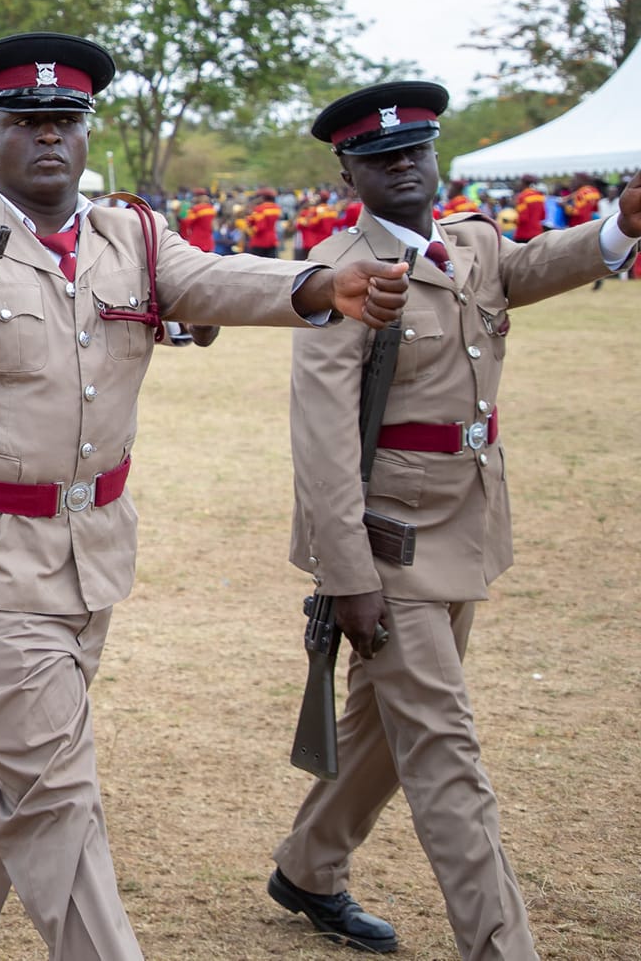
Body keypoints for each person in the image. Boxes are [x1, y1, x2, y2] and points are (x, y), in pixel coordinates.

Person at [0, 31, 408, 961]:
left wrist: (318, 284)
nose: (49, 138)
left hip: (90, 558)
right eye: (25, 122)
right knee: (59, 800)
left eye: (65, 119)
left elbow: (212, 279)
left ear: (87, 132)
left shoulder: (130, 238)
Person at [266, 84, 639, 959]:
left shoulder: (470, 240)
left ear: (435, 156)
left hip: (465, 520)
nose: (403, 167)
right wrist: (346, 575)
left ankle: (310, 868)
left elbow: (534, 268)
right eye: (381, 157)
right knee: (444, 745)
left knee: (385, 731)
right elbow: (321, 444)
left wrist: (621, 226)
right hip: (386, 541)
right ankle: (501, 947)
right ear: (349, 170)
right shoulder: (341, 273)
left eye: (416, 151)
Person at [245, 187, 284, 258]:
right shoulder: (276, 208)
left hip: (259, 241)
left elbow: (260, 227)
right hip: (272, 239)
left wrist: (249, 231)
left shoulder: (260, 209)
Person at [179, 186, 217, 252]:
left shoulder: (195, 209)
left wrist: (184, 236)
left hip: (197, 242)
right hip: (208, 242)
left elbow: (186, 223)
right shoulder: (211, 209)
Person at [512, 175, 546, 240]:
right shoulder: (540, 196)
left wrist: (514, 221)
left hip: (524, 235)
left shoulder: (522, 197)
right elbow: (543, 216)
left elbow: (523, 218)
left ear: (523, 183)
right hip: (537, 233)